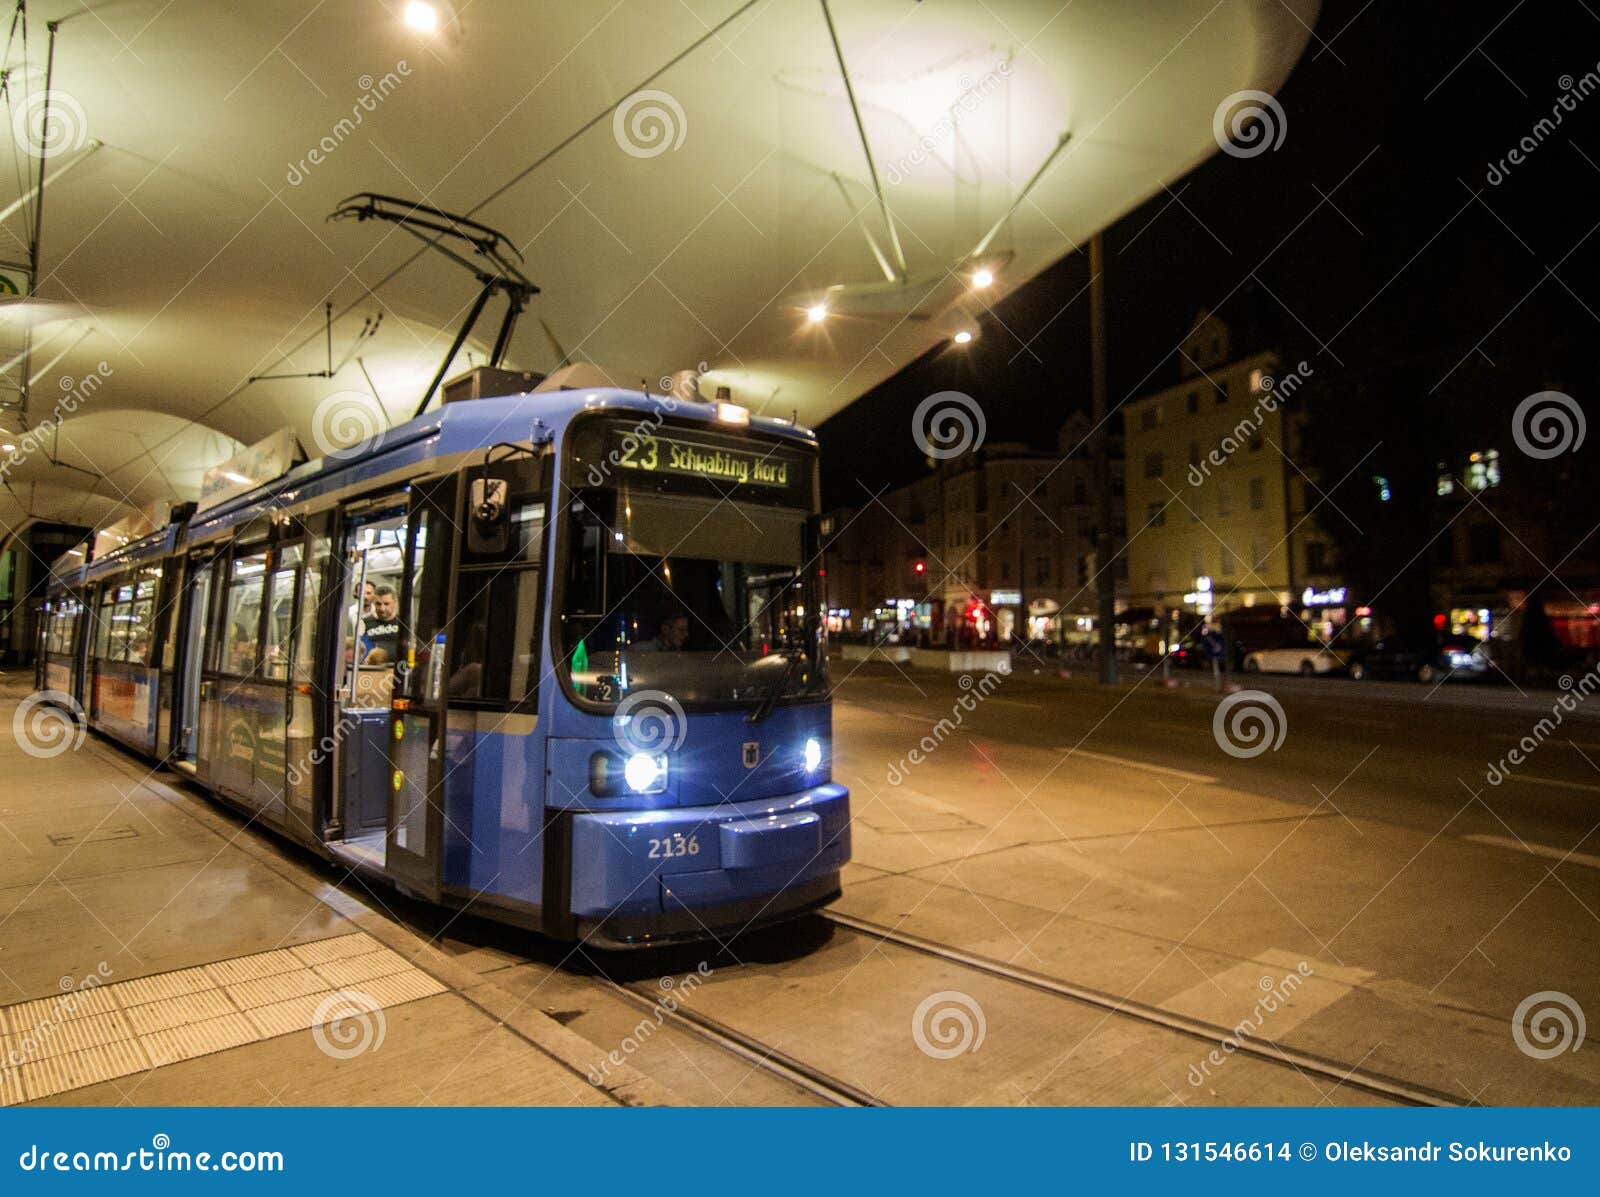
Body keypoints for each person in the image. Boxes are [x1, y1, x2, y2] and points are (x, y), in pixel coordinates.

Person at [360, 584, 402, 665]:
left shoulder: (403, 623)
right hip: (372, 670)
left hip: (397, 669)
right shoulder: (364, 623)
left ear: (395, 602)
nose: (382, 608)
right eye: (378, 604)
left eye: (386, 604)